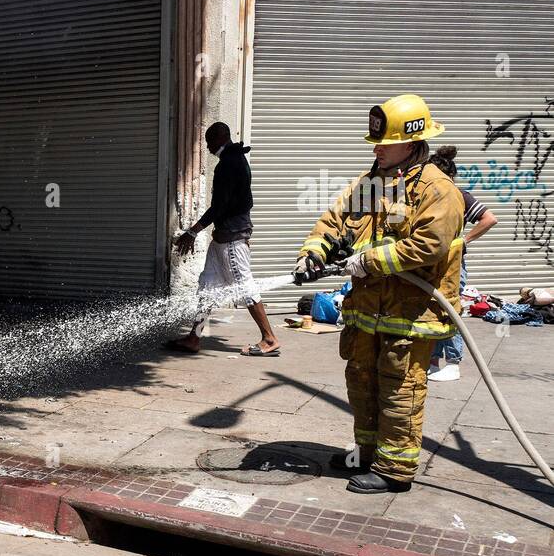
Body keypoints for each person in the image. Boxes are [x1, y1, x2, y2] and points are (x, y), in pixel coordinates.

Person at [294, 94, 463, 494]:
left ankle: (395, 471)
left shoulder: (437, 190)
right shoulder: (371, 183)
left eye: (386, 143)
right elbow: (333, 222)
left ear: (413, 142)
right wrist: (313, 253)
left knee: (399, 387)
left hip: (411, 313)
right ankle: (367, 455)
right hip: (367, 311)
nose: (378, 150)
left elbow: (429, 246)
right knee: (362, 381)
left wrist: (367, 262)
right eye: (376, 143)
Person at [165, 122, 279, 356]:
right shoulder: (233, 159)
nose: (207, 147)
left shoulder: (229, 164)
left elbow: (220, 206)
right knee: (206, 286)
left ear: (220, 138)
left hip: (232, 241)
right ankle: (194, 337)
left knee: (245, 287)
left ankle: (269, 338)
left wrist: (193, 231)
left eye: (209, 141)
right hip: (221, 241)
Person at [423, 146, 498, 383]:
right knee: (432, 311)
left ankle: (453, 363)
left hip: (452, 267)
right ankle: (433, 362)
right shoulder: (429, 197)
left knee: (449, 311)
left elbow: (489, 218)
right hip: (430, 265)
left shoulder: (458, 196)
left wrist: (464, 241)